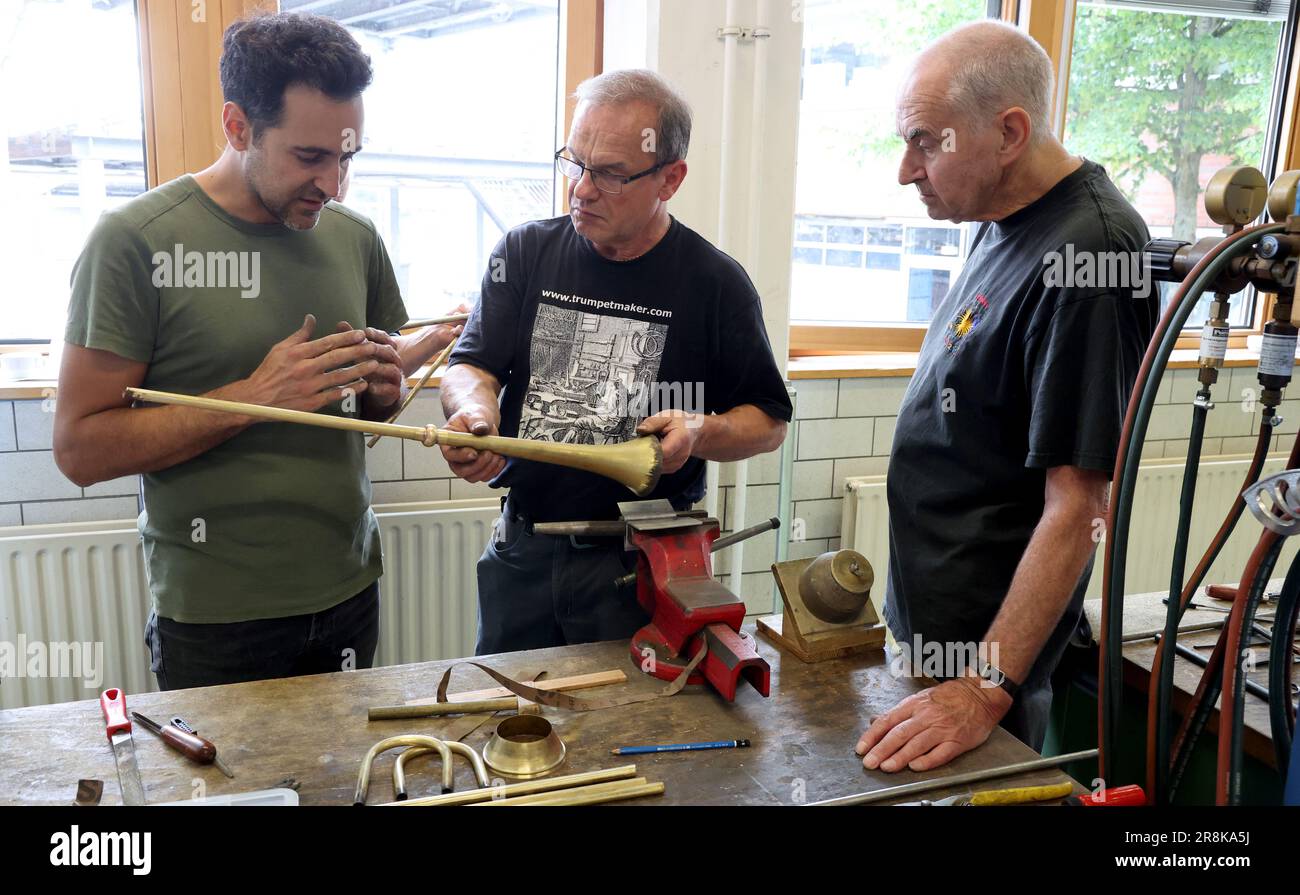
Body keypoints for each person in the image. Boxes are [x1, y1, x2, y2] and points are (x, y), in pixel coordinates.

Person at [52, 12, 459, 689]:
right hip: (217, 621)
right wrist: (252, 399)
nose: (333, 184)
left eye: (347, 156)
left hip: (348, 594)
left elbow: (363, 413)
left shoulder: (354, 238)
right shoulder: (134, 243)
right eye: (309, 157)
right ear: (237, 125)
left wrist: (384, 395)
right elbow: (78, 449)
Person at [855, 21, 1157, 771]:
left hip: (985, 668)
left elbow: (1081, 505)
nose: (906, 170)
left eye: (926, 142)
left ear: (1010, 132)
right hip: (937, 635)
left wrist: (983, 687)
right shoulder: (1000, 216)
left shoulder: (1093, 253)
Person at [439, 69, 793, 654]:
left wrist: (700, 430)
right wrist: (476, 416)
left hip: (642, 563)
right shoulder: (524, 253)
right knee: (508, 716)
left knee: (630, 732)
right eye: (573, 163)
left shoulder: (715, 284)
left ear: (670, 178)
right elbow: (471, 364)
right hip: (524, 551)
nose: (580, 189)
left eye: (609, 174)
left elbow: (769, 421)